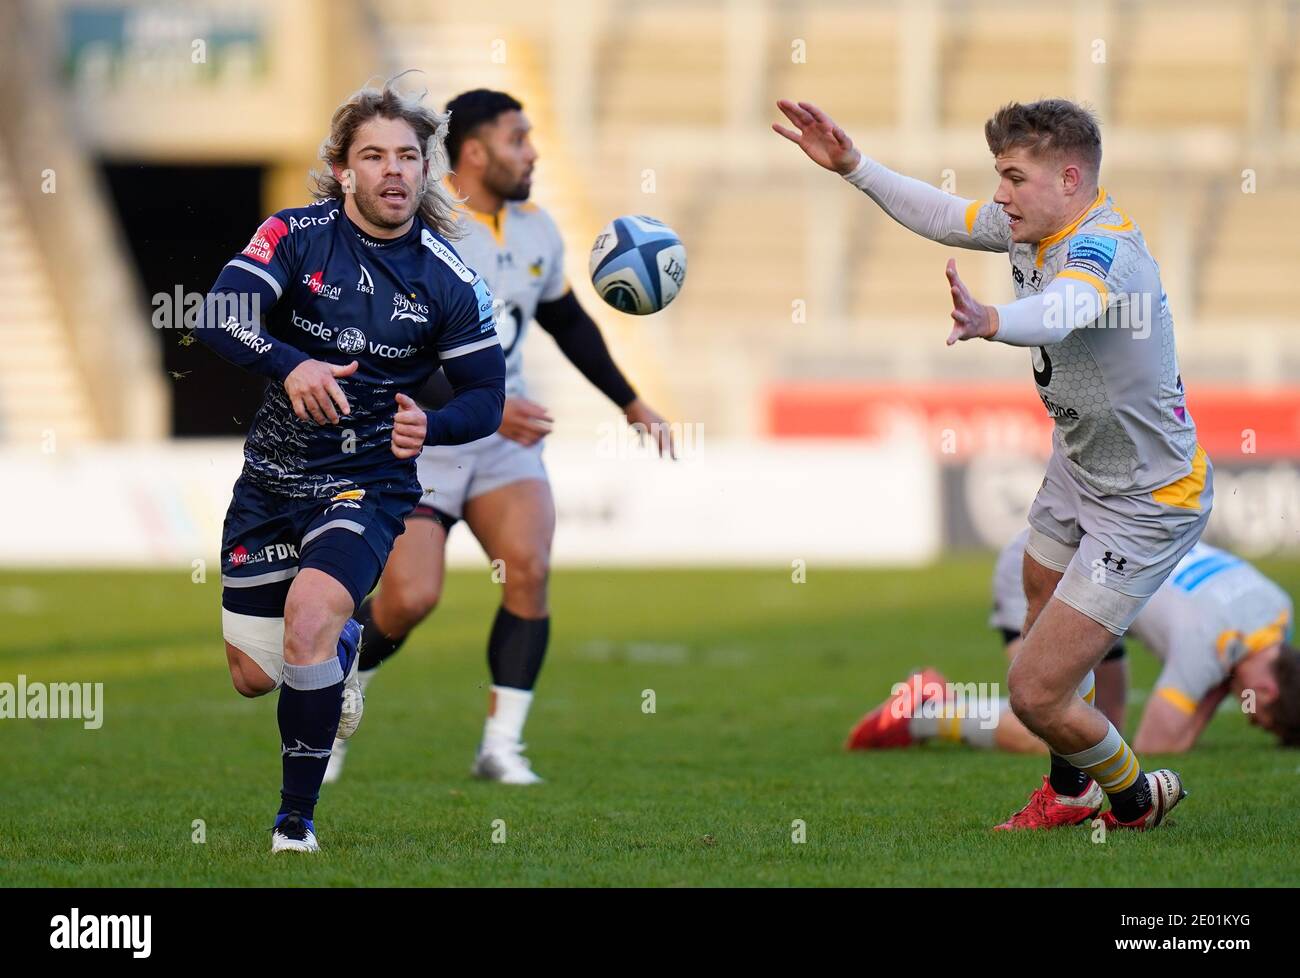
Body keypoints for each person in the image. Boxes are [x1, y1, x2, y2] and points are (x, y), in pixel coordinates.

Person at [775, 97, 1211, 830]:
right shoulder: (1030, 225)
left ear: (1070, 179)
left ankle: (1136, 799)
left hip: (1147, 499)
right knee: (1034, 591)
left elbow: (1066, 310)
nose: (1000, 195)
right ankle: (1071, 793)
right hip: (1081, 468)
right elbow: (944, 214)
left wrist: (992, 321)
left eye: (1014, 178)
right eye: (998, 177)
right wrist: (853, 165)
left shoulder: (1104, 250)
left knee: (1035, 693)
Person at [325, 89, 674, 786]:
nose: (533, 151)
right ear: (476, 152)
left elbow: (567, 321)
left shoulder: (537, 228)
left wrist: (631, 402)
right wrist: (484, 401)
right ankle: (331, 691)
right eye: (519, 139)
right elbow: (390, 346)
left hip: (501, 437)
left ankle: (501, 748)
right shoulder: (421, 230)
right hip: (420, 432)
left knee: (529, 570)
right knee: (410, 599)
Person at [195, 75, 505, 852]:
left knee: (308, 614)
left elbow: (486, 398)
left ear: (425, 171)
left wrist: (430, 423)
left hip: (366, 481)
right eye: (375, 156)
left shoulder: (448, 280)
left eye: (408, 156)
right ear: (343, 169)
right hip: (270, 479)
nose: (394, 170)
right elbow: (220, 315)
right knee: (252, 675)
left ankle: (293, 826)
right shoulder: (294, 234)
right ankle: (338, 652)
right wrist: (291, 363)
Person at [848, 530, 1300, 754]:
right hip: (1050, 576)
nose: (1251, 722)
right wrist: (1218, 687)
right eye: (1263, 719)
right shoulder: (1213, 646)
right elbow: (1156, 746)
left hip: (1090, 578)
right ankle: (929, 711)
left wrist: (1223, 684)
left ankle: (934, 707)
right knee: (1067, 736)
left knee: (1098, 732)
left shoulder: (1277, 607)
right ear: (1267, 691)